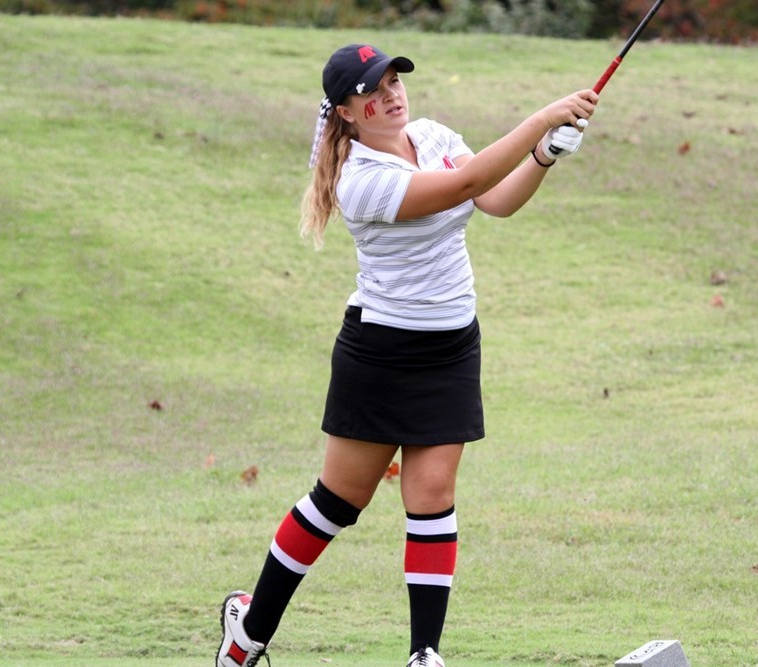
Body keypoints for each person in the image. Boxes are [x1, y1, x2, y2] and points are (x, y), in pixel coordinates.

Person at [216, 43, 598, 667]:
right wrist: (540, 118)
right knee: (337, 503)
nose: (390, 94)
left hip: (452, 346)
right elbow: (467, 184)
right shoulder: (361, 179)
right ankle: (249, 633)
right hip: (382, 353)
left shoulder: (433, 134)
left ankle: (425, 654)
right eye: (373, 89)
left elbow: (494, 199)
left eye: (394, 81)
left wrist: (542, 155)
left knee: (432, 495)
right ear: (345, 111)